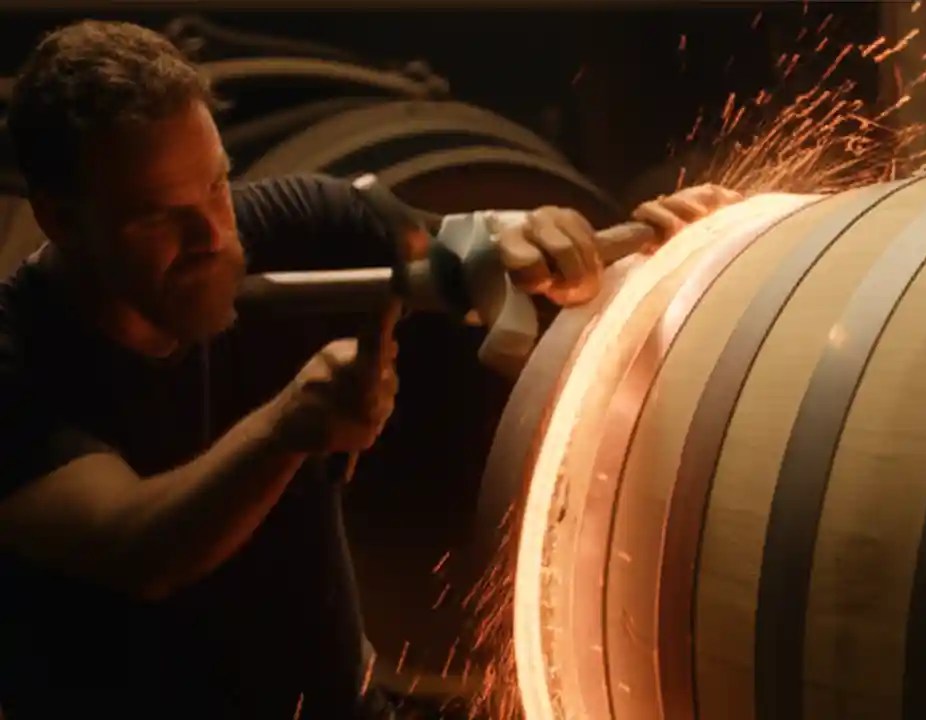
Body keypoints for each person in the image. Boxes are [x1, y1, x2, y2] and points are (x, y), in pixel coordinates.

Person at [0, 19, 742, 720]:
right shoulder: (17, 355)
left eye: (217, 185)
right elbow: (136, 547)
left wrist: (599, 246)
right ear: (61, 219)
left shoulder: (294, 225)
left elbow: (460, 253)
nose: (212, 236)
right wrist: (284, 429)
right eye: (156, 215)